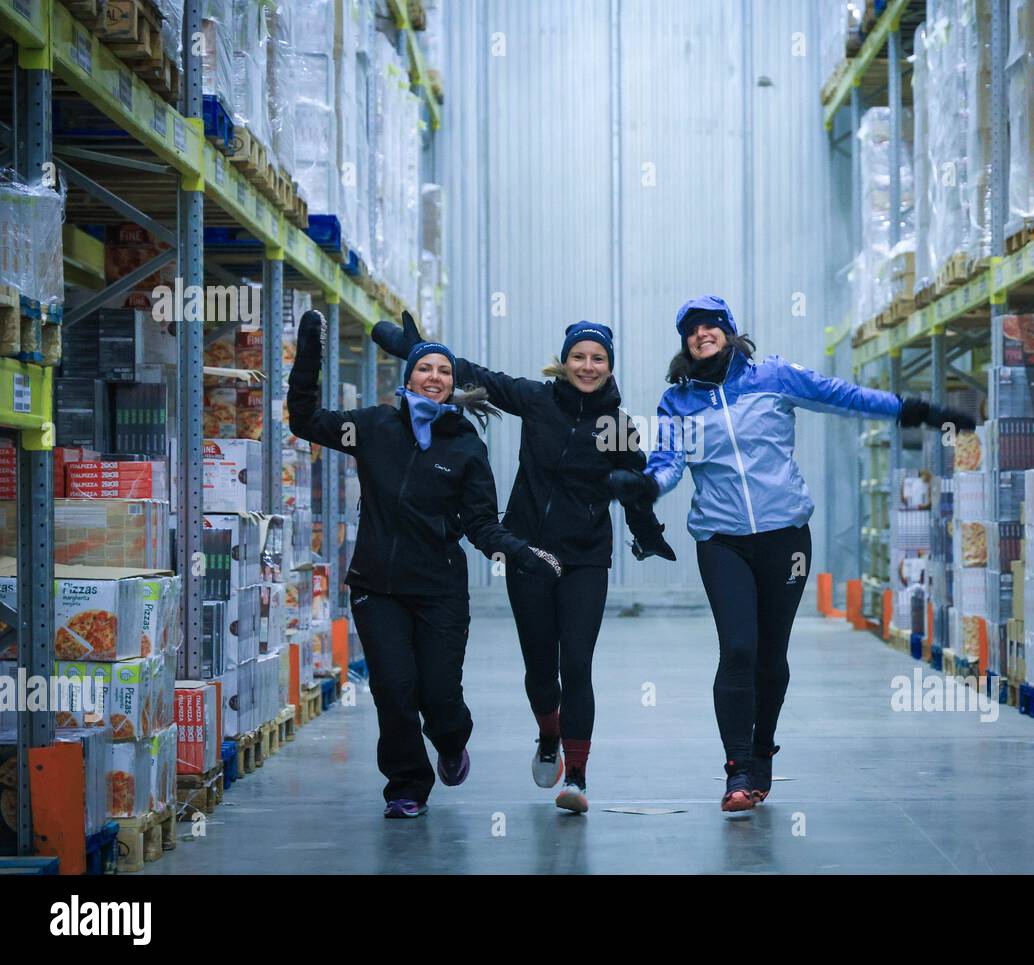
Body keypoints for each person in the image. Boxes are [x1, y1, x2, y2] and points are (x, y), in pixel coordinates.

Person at [608, 295, 976, 812]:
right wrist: (647, 485)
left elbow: (842, 397)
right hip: (721, 539)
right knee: (738, 648)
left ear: (729, 331)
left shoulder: (773, 376)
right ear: (685, 343)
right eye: (692, 330)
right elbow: (670, 463)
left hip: (785, 538)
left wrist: (913, 411)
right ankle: (737, 771)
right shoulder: (679, 402)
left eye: (711, 325)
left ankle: (762, 753)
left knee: (770, 654)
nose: (702, 334)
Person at [371, 315, 675, 814]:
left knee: (576, 663)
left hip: (585, 559)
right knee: (540, 666)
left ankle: (576, 775)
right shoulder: (536, 400)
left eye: (598, 358)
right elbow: (475, 375)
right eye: (579, 356)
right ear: (565, 361)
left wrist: (648, 535)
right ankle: (548, 734)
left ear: (609, 366)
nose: (587, 365)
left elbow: (633, 491)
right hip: (529, 554)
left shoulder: (616, 427)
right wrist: (416, 347)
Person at [289, 309, 561, 819]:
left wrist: (523, 553)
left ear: (453, 383)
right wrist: (309, 355)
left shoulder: (465, 447)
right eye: (424, 369)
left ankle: (452, 743)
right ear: (408, 376)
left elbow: (481, 526)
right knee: (394, 691)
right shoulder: (372, 427)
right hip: (377, 588)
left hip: (439, 591)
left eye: (443, 371)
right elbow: (305, 420)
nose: (433, 377)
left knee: (440, 698)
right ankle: (407, 786)